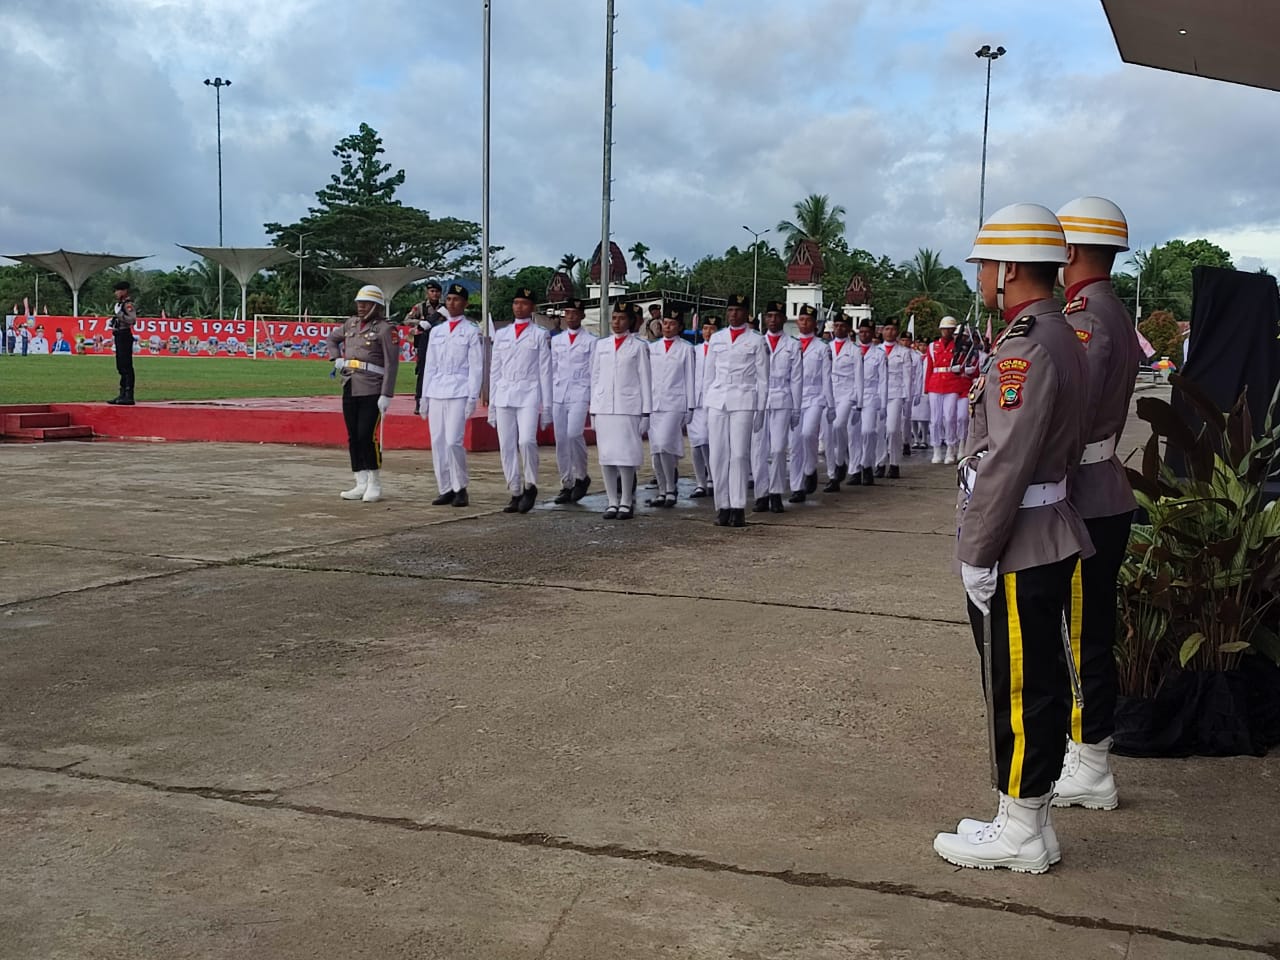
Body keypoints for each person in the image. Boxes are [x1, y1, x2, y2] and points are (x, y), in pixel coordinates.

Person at [932, 202, 1090, 874]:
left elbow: (1005, 460)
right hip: (1044, 528)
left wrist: (976, 551)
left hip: (1020, 537)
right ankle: (1030, 820)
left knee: (1019, 685)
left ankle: (1021, 824)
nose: (979, 276)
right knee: (1038, 680)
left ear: (1011, 269)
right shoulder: (1056, 333)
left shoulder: (1028, 345)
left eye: (984, 264)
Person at [1053, 196, 1141, 811]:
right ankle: (1086, 754)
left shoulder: (1087, 316)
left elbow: (1069, 408)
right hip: (1102, 486)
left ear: (1073, 250)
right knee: (1087, 629)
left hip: (1084, 493)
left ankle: (1090, 763)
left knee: (1083, 634)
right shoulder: (1108, 309)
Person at [327, 285, 400, 503]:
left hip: (372, 388)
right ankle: (360, 481)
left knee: (366, 435)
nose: (361, 307)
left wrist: (387, 394)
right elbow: (332, 339)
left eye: (365, 304)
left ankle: (374, 482)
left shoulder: (386, 330)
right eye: (359, 303)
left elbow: (392, 363)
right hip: (350, 384)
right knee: (352, 437)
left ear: (376, 306)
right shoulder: (350, 324)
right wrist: (335, 358)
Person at [704, 294, 769, 527]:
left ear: (746, 313)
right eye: (730, 310)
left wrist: (761, 410)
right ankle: (722, 505)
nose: (733, 314)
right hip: (717, 399)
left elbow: (763, 379)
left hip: (743, 398)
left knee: (739, 454)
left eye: (738, 310)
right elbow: (708, 374)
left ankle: (738, 506)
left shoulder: (757, 340)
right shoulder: (717, 338)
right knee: (718, 455)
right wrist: (705, 404)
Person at [419, 283, 483, 507]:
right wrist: (424, 397)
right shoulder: (437, 331)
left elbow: (476, 368)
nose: (452, 303)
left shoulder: (472, 331)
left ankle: (460, 487)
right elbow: (430, 366)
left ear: (464, 303)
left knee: (453, 441)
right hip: (437, 389)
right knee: (437, 441)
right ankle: (445, 487)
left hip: (459, 389)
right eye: (449, 300)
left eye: (456, 299)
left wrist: (472, 397)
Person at [489, 287, 553, 514]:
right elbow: (495, 371)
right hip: (505, 392)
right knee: (506, 445)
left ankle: (530, 485)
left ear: (532, 307)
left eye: (524, 303)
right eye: (516, 303)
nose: (519, 307)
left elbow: (545, 372)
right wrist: (492, 404)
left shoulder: (540, 334)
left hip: (529, 392)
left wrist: (547, 407)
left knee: (526, 440)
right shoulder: (502, 334)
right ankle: (515, 490)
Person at [590, 302, 652, 519]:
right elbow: (595, 378)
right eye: (614, 318)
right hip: (605, 406)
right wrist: (593, 410)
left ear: (630, 321)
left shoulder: (638, 346)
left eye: (622, 318)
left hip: (628, 407)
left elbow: (645, 380)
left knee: (626, 456)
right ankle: (611, 501)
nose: (617, 322)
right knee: (607, 456)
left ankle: (626, 500)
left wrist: (646, 412)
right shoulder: (602, 345)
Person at [752, 301, 802, 513]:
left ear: (783, 319)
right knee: (758, 450)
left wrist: (796, 408)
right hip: (759, 401)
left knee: (779, 448)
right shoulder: (756, 342)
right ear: (765, 318)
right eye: (769, 315)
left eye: (777, 316)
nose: (773, 320)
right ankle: (761, 493)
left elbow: (797, 379)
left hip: (782, 398)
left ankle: (776, 492)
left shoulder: (792, 344)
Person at [647, 305, 696, 507]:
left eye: (672, 324)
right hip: (654, 402)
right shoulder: (652, 348)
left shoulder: (686, 348)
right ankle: (662, 489)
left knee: (665, 444)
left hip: (675, 402)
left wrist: (690, 407)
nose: (667, 327)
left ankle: (671, 487)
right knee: (656, 449)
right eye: (665, 323)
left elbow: (690, 379)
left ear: (680, 326)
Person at [550, 298, 596, 504]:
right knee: (561, 440)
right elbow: (552, 369)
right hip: (560, 392)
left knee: (574, 433)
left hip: (580, 391)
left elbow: (595, 371)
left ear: (582, 316)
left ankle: (581, 476)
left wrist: (593, 399)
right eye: (567, 313)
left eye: (575, 313)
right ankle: (566, 483)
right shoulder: (557, 340)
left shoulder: (591, 341)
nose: (571, 317)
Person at [788, 305, 835, 503]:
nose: (803, 322)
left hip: (815, 396)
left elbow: (827, 377)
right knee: (794, 443)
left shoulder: (823, 347)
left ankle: (810, 468)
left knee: (808, 433)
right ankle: (797, 486)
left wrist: (830, 404)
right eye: (801, 319)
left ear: (815, 323)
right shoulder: (790, 344)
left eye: (807, 319)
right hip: (794, 398)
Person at [823, 314, 862, 493]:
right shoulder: (827, 348)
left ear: (848, 328)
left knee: (839, 426)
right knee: (828, 435)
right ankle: (834, 472)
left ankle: (841, 459)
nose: (838, 328)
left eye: (842, 326)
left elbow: (859, 378)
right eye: (836, 325)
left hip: (848, 394)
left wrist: (858, 403)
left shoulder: (854, 350)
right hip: (830, 394)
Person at [925, 317, 967, 464]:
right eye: (944, 329)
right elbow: (929, 367)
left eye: (949, 329)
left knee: (949, 418)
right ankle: (936, 448)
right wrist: (926, 387)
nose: (946, 331)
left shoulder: (959, 347)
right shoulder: (932, 346)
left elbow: (963, 365)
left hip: (952, 384)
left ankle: (951, 448)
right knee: (935, 420)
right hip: (935, 383)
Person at [879, 318, 914, 479]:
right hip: (877, 395)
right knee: (878, 430)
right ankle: (879, 463)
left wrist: (907, 398)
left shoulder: (904, 352)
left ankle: (893, 463)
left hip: (895, 393)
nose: (890, 332)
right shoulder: (876, 350)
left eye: (893, 329)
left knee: (893, 429)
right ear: (882, 331)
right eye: (887, 329)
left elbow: (908, 377)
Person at [688, 315, 719, 498]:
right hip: (696, 400)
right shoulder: (695, 350)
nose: (708, 332)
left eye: (712, 329)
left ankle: (712, 477)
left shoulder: (721, 350)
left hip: (712, 401)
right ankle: (700, 481)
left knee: (708, 440)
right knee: (695, 443)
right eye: (705, 328)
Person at [854, 318, 887, 485]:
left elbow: (883, 380)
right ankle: (854, 469)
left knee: (868, 431)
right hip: (852, 396)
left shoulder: (879, 354)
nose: (864, 334)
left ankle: (867, 465)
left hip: (871, 395)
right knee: (853, 434)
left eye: (867, 331)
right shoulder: (853, 350)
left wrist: (883, 404)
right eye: (861, 331)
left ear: (873, 333)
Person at [406, 280, 445, 407]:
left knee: (441, 370)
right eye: (432, 291)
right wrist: (420, 323)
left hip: (441, 342)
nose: (434, 294)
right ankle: (419, 400)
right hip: (424, 340)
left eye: (437, 291)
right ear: (427, 293)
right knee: (423, 370)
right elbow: (407, 320)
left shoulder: (444, 308)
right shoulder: (420, 307)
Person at [107, 281, 137, 404]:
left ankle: (128, 395)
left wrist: (119, 315)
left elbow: (132, 319)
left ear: (124, 291)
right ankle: (122, 393)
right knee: (120, 366)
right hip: (119, 335)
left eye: (118, 290)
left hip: (124, 335)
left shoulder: (127, 305)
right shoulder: (120, 304)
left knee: (126, 366)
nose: (116, 293)